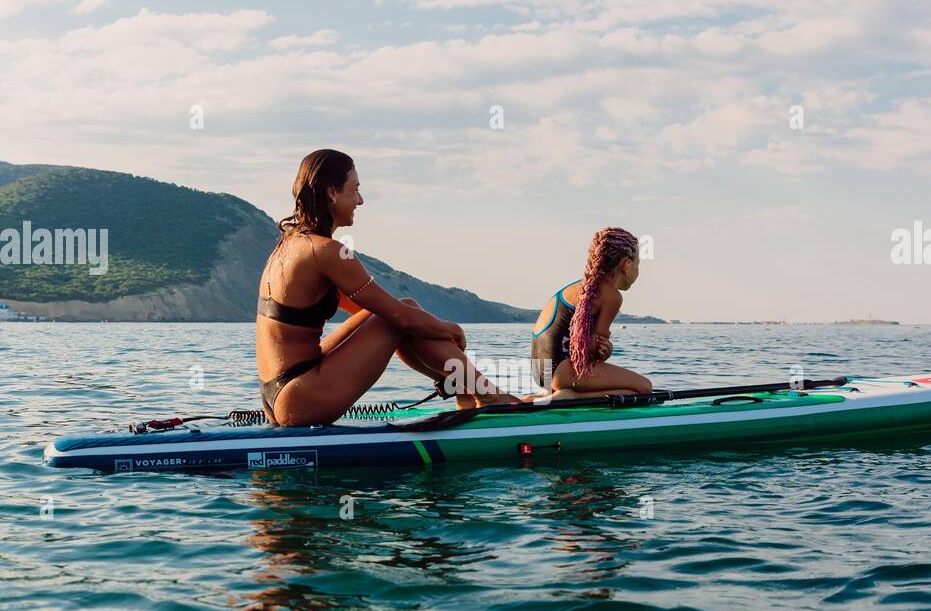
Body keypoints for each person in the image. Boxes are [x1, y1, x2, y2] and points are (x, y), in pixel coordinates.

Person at [256, 149, 515, 426]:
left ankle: (468, 391)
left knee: (403, 312)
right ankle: (487, 395)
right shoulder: (327, 252)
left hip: (284, 393)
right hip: (300, 399)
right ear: (332, 192)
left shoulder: (290, 246)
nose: (360, 200)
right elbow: (399, 318)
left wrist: (442, 357)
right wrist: (454, 331)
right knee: (399, 316)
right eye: (354, 190)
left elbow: (381, 312)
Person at [529, 227, 652, 399]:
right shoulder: (611, 296)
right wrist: (606, 350)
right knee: (644, 388)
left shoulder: (577, 288)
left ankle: (546, 395)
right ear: (627, 265)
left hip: (539, 371)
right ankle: (570, 396)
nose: (638, 270)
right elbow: (593, 353)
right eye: (638, 264)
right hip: (561, 372)